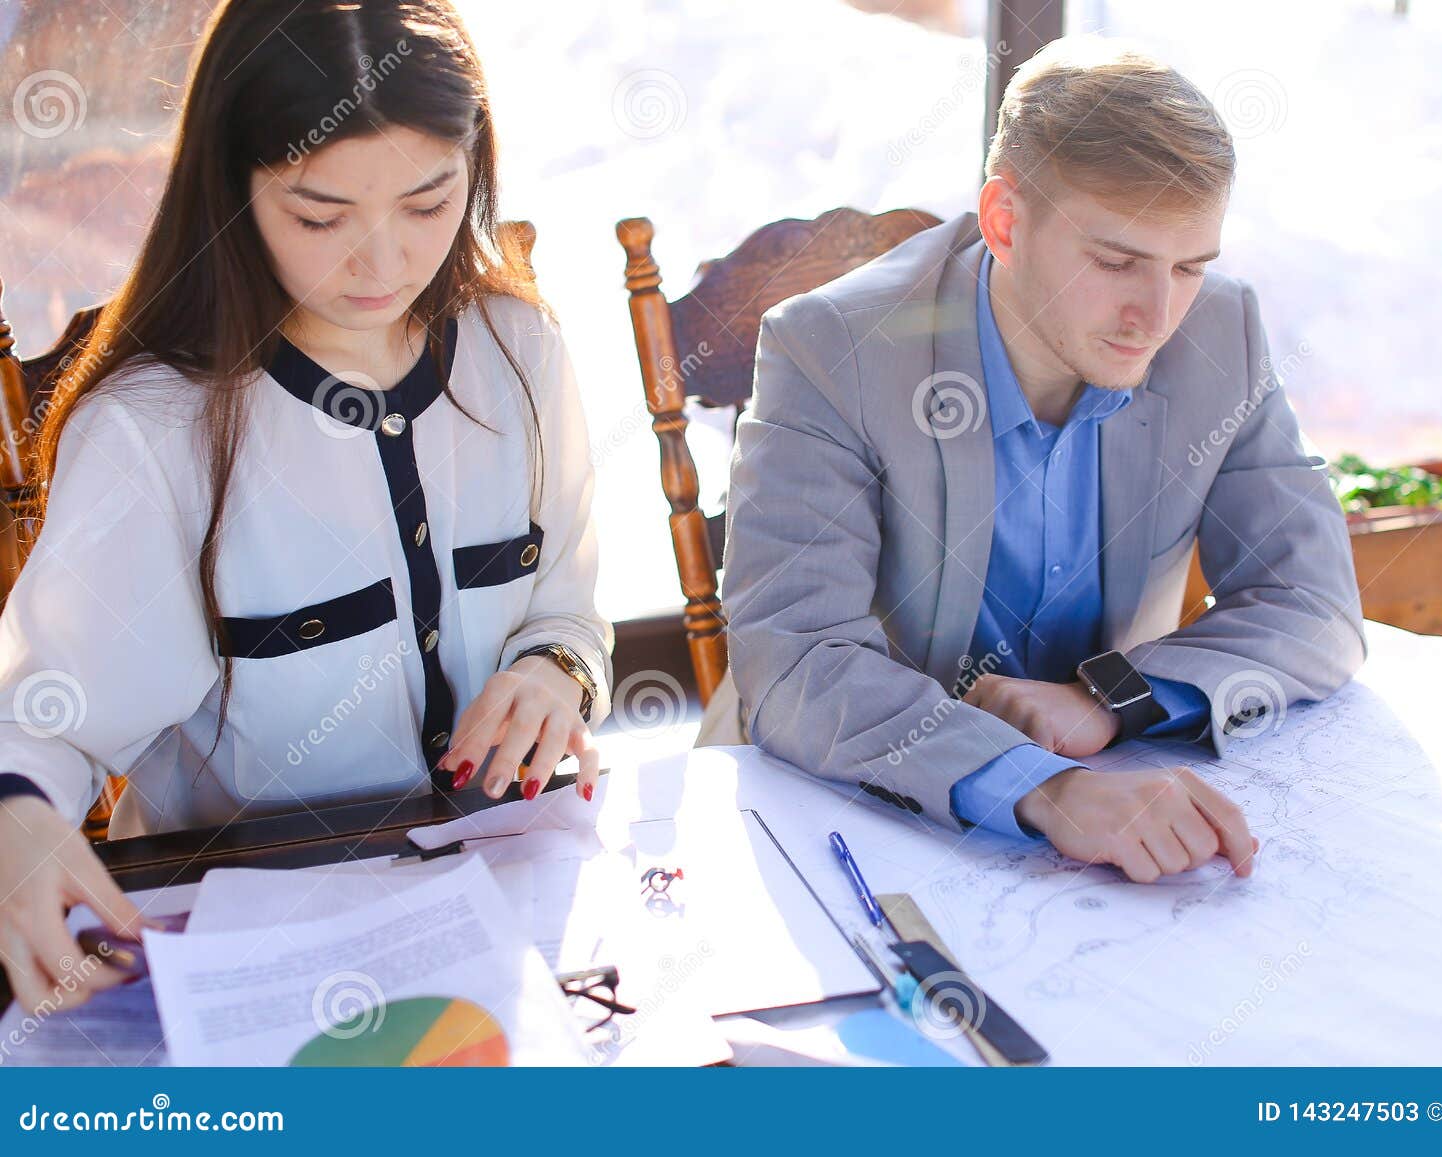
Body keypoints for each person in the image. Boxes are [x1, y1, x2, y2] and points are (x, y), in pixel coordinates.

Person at [0, 0, 611, 1014]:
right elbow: (40, 719)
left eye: (428, 202)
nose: (383, 264)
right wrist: (16, 813)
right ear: (230, 191)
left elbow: (570, 611)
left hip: (519, 913)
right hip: (260, 949)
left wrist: (556, 672)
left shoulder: (520, 352)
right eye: (321, 218)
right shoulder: (155, 429)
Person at [715, 37, 1365, 884]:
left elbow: (1315, 605)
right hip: (848, 814)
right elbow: (798, 662)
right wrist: (1047, 786)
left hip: (1115, 806)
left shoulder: (1221, 331)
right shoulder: (831, 348)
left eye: (1189, 267)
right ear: (1004, 222)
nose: (1156, 316)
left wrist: (1110, 698)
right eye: (1117, 262)